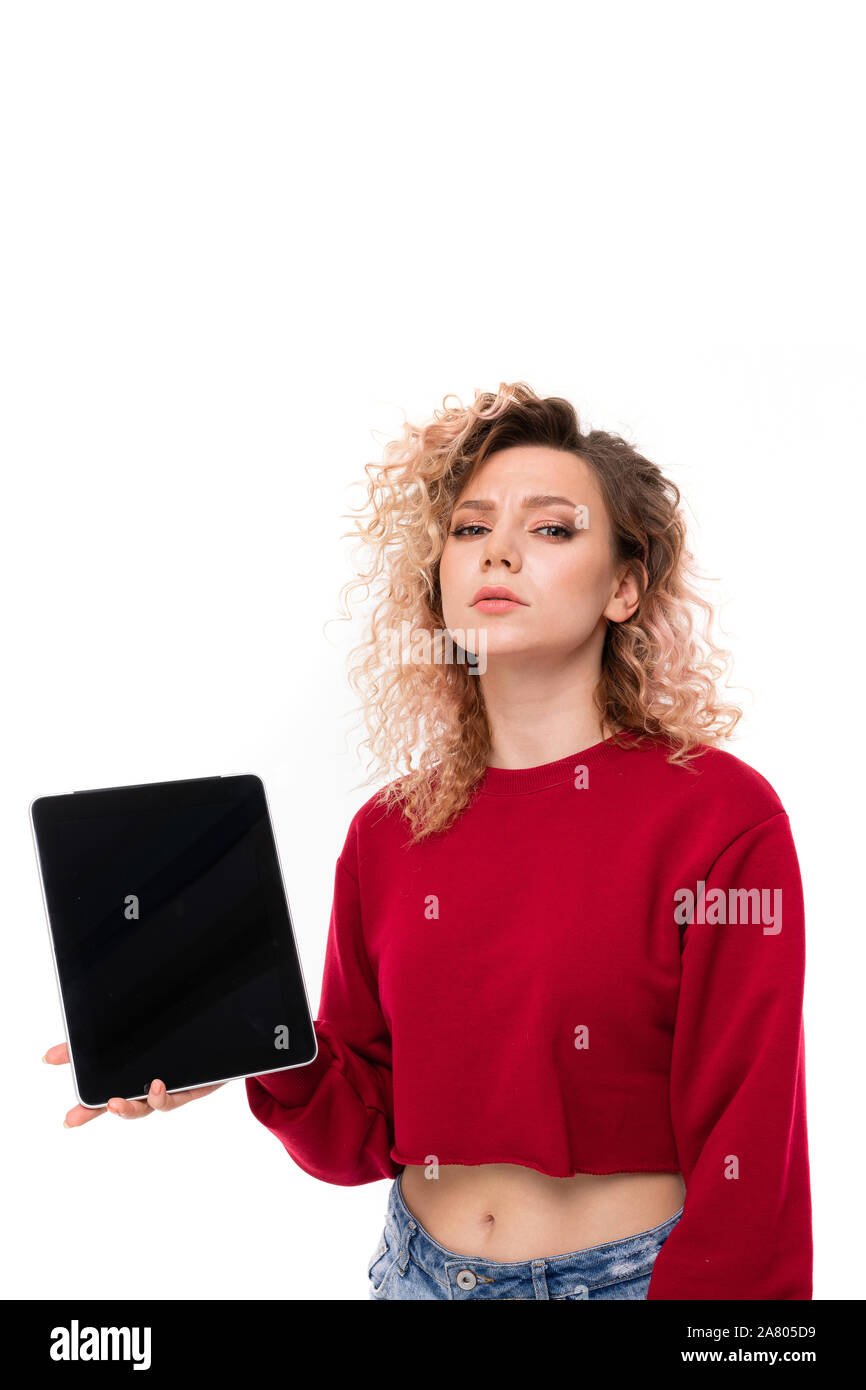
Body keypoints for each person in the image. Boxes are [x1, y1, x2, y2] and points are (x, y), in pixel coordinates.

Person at [45, 381, 813, 1301]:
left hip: (626, 1284)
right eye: (470, 527)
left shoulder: (723, 818)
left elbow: (751, 1146)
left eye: (553, 529)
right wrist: (239, 1044)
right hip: (415, 1275)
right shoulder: (389, 832)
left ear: (624, 587)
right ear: (440, 578)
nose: (499, 550)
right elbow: (365, 1121)